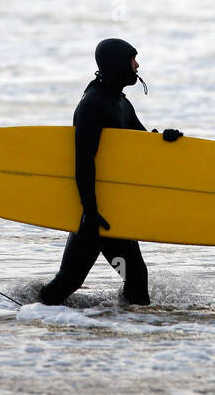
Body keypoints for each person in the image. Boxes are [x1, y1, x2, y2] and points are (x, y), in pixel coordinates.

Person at [38, 38, 183, 307]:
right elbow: (83, 160)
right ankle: (31, 313)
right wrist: (90, 213)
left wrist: (165, 139)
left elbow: (141, 144)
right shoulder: (94, 103)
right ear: (117, 63)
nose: (137, 65)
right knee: (86, 279)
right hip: (96, 211)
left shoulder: (120, 102)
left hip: (110, 208)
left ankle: (32, 309)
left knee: (80, 279)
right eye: (132, 59)